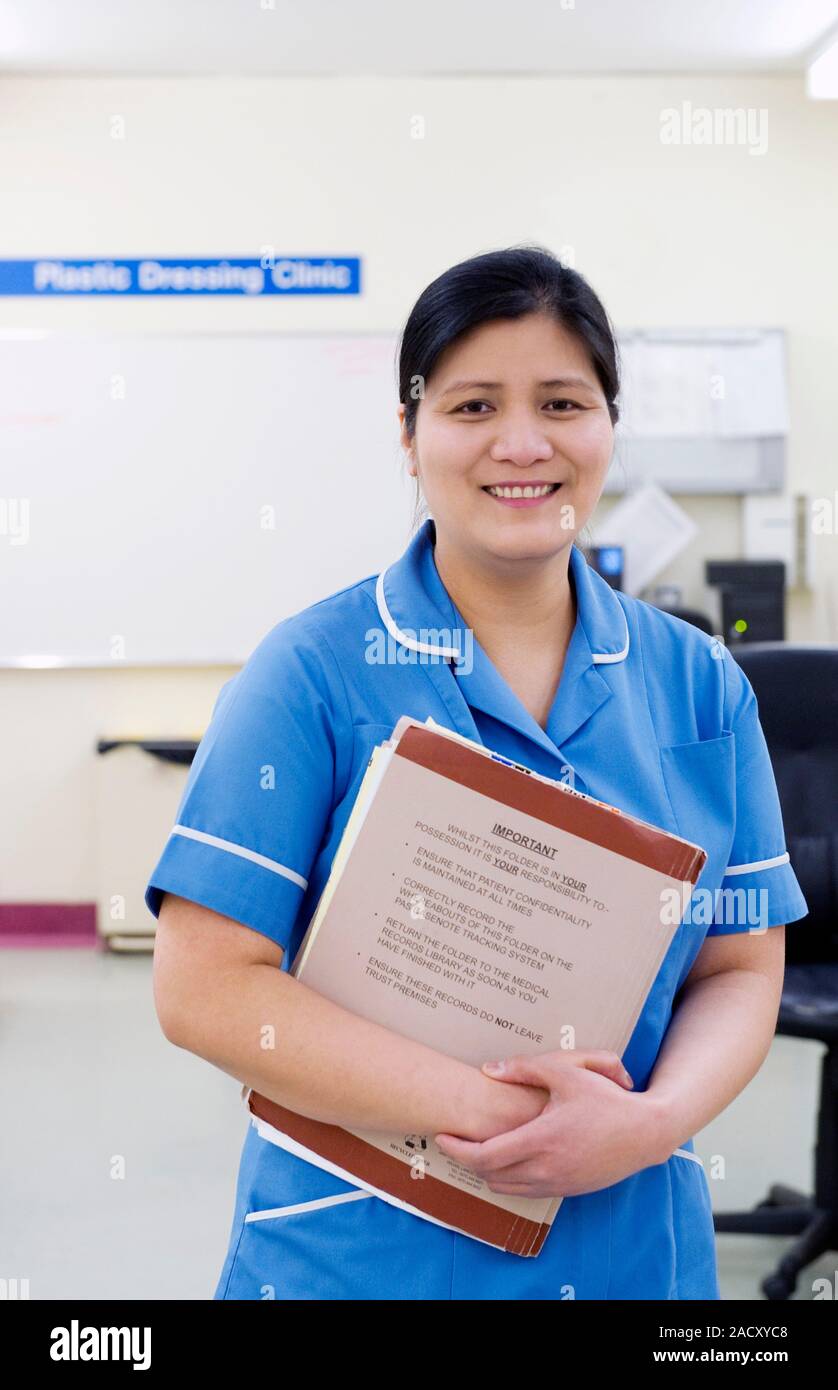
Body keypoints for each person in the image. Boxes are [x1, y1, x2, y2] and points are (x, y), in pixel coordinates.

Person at [147, 245, 808, 1300]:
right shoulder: (309, 671)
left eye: (562, 403)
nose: (522, 443)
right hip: (363, 1255)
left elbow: (738, 966)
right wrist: (513, 1119)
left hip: (630, 1241)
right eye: (472, 406)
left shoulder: (699, 684)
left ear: (609, 425)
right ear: (409, 435)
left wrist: (648, 1125)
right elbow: (206, 989)